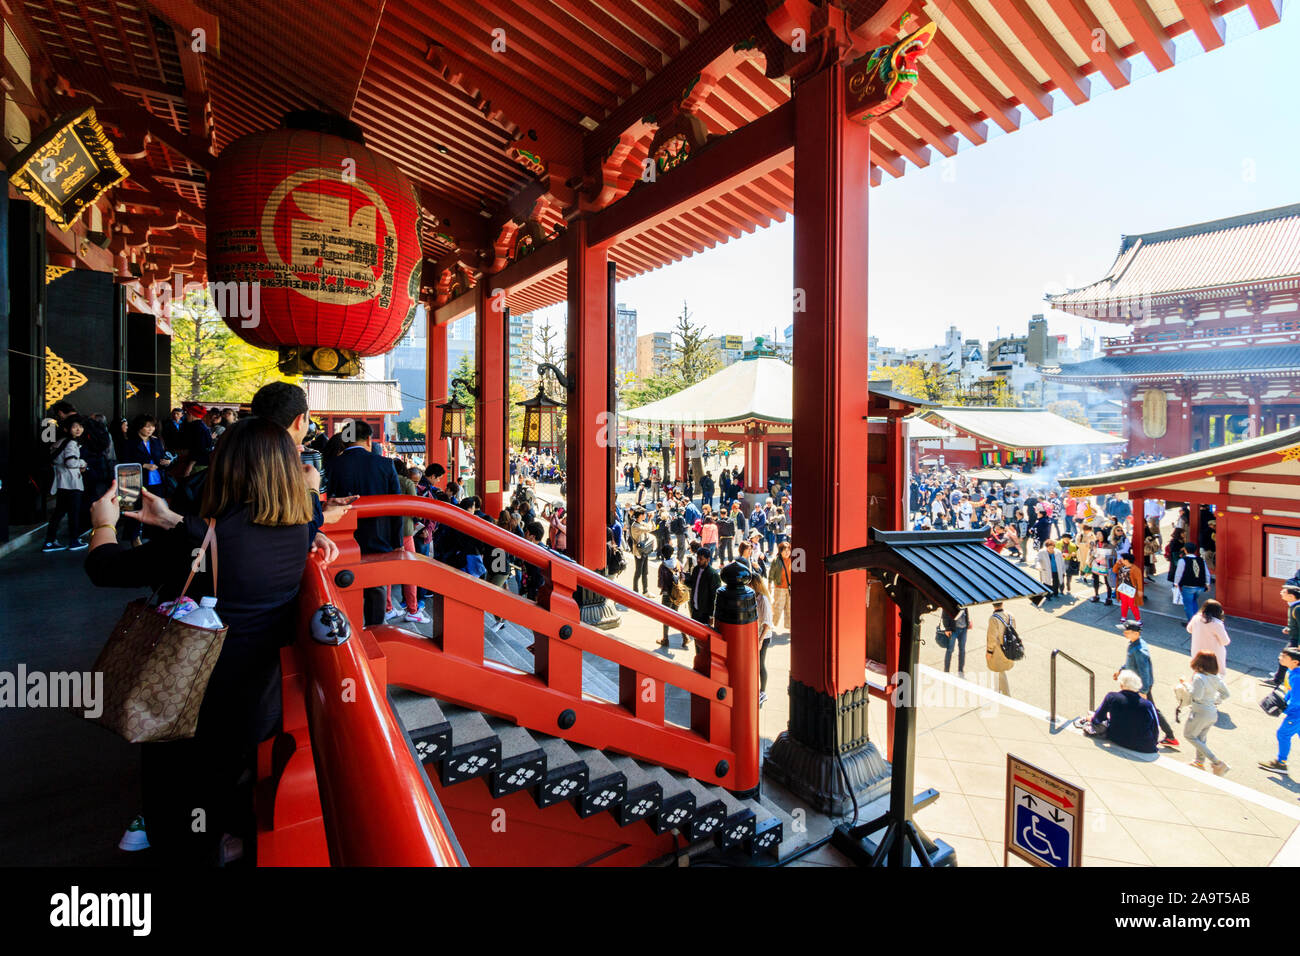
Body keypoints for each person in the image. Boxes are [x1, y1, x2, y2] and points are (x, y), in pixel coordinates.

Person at [84, 417, 337, 865]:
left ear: (227, 467)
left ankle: (188, 846)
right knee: (220, 783)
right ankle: (219, 841)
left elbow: (105, 569)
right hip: (257, 691)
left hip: (190, 689)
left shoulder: (199, 537)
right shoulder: (301, 528)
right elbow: (298, 513)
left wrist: (102, 524)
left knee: (177, 793)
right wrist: (171, 519)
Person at [325, 420, 400, 625]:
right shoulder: (385, 464)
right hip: (378, 536)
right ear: (369, 439)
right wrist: (397, 541)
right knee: (376, 586)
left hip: (341, 539)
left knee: (345, 583)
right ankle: (376, 631)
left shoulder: (332, 465)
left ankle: (349, 631)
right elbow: (398, 505)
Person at [1114, 621, 1177, 746]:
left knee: (1151, 710)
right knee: (1140, 708)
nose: (1124, 633)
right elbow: (1130, 663)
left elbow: (1145, 672)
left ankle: (1169, 735)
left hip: (1139, 685)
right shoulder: (1134, 644)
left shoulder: (1140, 650)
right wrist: (1120, 670)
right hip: (1135, 683)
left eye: (1127, 632)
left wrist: (1143, 691)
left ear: (1136, 633)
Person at [1081, 670, 1160, 754]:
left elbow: (1097, 719)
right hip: (1146, 746)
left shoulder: (1112, 697)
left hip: (1117, 738)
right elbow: (1155, 727)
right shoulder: (1148, 705)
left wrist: (1091, 718)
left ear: (1122, 684)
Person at [43, 415, 88, 552]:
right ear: (66, 428)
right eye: (75, 426)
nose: (78, 429)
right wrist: (83, 463)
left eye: (80, 426)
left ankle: (50, 542)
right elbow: (71, 462)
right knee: (74, 513)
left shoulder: (59, 442)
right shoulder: (72, 443)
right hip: (72, 483)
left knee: (59, 513)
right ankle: (74, 540)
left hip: (61, 482)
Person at [1181, 652, 1230, 774]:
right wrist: (1214, 700)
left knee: (1189, 735)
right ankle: (1199, 762)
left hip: (1200, 712)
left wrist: (1186, 684)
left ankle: (1217, 762)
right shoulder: (1216, 677)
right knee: (1201, 738)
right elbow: (1226, 694)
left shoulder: (1199, 677)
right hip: (1212, 713)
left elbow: (1196, 696)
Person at [1261, 647, 1300, 774]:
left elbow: (1297, 699)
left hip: (1296, 714)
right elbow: (1291, 691)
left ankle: (1281, 763)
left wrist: (1284, 707)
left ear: (1295, 662)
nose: (1280, 658)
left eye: (1284, 657)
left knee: (1283, 734)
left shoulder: (1297, 676)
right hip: (1295, 712)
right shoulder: (1292, 671)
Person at [1266, 585, 1300, 688]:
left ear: (1291, 596)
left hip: (1296, 639)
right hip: (1294, 637)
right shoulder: (1294, 606)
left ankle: (1277, 680)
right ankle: (1281, 677)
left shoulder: (1298, 609)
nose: (1281, 593)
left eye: (1283, 592)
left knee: (1285, 657)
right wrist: (1289, 628)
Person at [1186, 599, 1230, 676]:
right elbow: (1225, 641)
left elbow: (1189, 629)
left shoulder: (1196, 618)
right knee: (1215, 676)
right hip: (1213, 655)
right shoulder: (1217, 624)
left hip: (1198, 652)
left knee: (1199, 673)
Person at [657, 544, 687, 649]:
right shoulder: (678, 563)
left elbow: (660, 584)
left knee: (666, 617)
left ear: (663, 554)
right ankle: (684, 636)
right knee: (676, 616)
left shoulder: (662, 566)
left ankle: (665, 639)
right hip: (677, 594)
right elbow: (683, 577)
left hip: (666, 595)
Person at [1172, 542, 1209, 623]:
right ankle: (1196, 621)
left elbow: (1178, 574)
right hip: (1200, 586)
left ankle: (1192, 624)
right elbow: (1207, 573)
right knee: (1194, 602)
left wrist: (1176, 584)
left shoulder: (1183, 560)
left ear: (1185, 550)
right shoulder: (1201, 560)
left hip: (1188, 586)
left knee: (1188, 605)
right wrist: (1208, 583)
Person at [752, 572, 773, 707]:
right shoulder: (754, 596)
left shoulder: (763, 599)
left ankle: (763, 692)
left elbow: (767, 623)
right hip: (755, 635)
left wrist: (760, 640)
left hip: (763, 637)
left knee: (761, 664)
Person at [986, 602, 1016, 694]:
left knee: (999, 671)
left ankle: (1006, 694)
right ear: (1002, 603)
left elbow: (992, 637)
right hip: (1009, 647)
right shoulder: (1011, 615)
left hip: (998, 650)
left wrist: (989, 651)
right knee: (999, 671)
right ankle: (997, 691)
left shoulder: (993, 619)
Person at [687, 547, 721, 627]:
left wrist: (711, 615)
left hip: (705, 613)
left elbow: (714, 596)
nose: (698, 560)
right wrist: (684, 580)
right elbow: (693, 584)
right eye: (697, 558)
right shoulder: (696, 569)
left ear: (708, 559)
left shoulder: (713, 574)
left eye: (701, 559)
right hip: (695, 610)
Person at [768, 540, 793, 633]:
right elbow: (771, 573)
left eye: (788, 550)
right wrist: (769, 584)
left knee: (789, 608)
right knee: (777, 607)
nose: (787, 552)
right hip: (780, 588)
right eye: (784, 550)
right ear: (780, 551)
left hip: (790, 588)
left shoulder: (793, 560)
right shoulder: (776, 560)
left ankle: (790, 626)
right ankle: (771, 625)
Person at [940, 605, 969, 675]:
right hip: (953, 630)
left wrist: (967, 622)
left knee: (962, 650)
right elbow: (944, 613)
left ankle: (961, 670)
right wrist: (947, 628)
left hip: (964, 628)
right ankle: (946, 671)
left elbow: (966, 611)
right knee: (950, 650)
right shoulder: (952, 600)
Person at [1115, 552, 1142, 623]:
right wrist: (1117, 563)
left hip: (1131, 589)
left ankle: (1138, 619)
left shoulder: (1135, 569)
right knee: (1124, 603)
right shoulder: (1121, 566)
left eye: (1122, 559)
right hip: (1122, 588)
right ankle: (1123, 616)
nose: (1121, 560)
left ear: (1127, 560)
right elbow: (1114, 570)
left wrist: (1140, 590)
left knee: (1132, 605)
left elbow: (1139, 580)